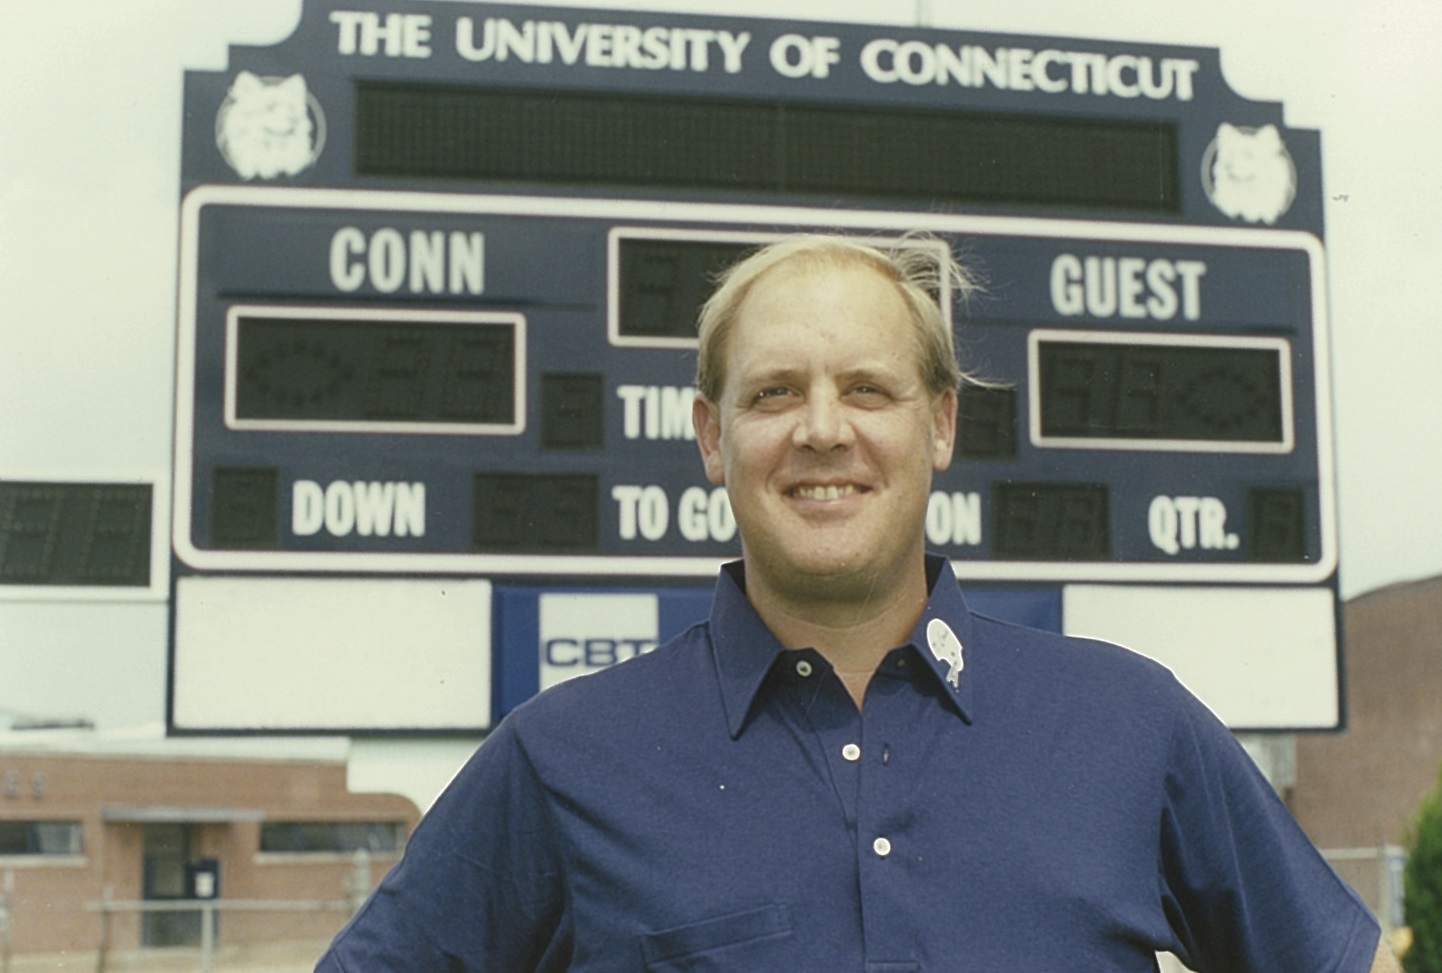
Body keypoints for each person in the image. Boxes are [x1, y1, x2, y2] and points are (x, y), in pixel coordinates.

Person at [316, 236, 1397, 972]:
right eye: (774, 392)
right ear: (710, 437)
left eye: (866, 390)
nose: (821, 429)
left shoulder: (1132, 726)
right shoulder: (559, 762)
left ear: (938, 427)